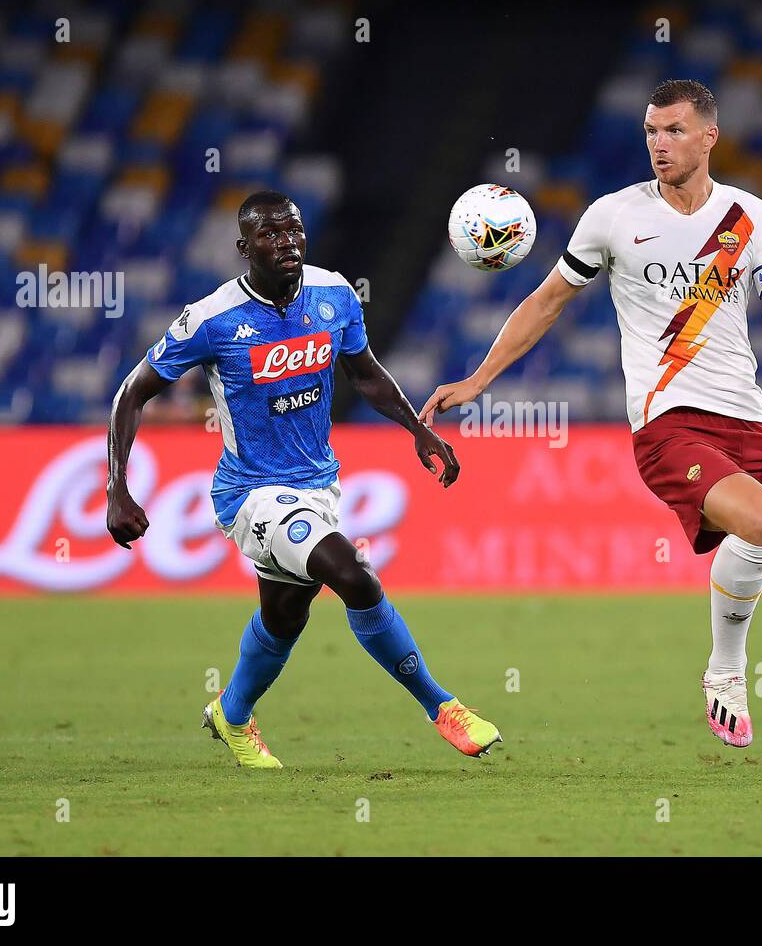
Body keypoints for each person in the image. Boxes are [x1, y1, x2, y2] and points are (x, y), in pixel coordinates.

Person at [422, 81, 762, 785]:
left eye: (674, 131)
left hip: (751, 420)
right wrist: (480, 379)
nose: (658, 143)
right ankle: (726, 671)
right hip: (669, 424)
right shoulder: (614, 217)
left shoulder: (751, 217)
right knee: (760, 518)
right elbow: (547, 300)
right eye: (651, 130)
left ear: (709, 136)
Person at [106, 190, 501, 769]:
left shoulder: (334, 293)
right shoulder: (212, 319)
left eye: (293, 231)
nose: (286, 242)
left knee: (284, 616)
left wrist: (418, 429)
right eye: (269, 234)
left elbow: (365, 375)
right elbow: (131, 393)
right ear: (244, 247)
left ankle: (231, 715)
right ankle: (442, 706)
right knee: (355, 576)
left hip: (319, 486)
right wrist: (116, 484)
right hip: (251, 494)